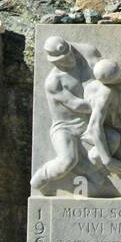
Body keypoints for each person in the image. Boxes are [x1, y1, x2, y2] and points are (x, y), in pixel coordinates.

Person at [30, 36, 99, 189]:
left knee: (114, 141)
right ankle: (41, 177)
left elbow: (93, 58)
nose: (70, 59)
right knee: (67, 161)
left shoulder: (79, 57)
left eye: (70, 54)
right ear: (54, 61)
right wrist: (102, 105)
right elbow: (76, 104)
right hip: (64, 128)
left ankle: (86, 171)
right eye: (64, 59)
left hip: (86, 126)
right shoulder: (54, 82)